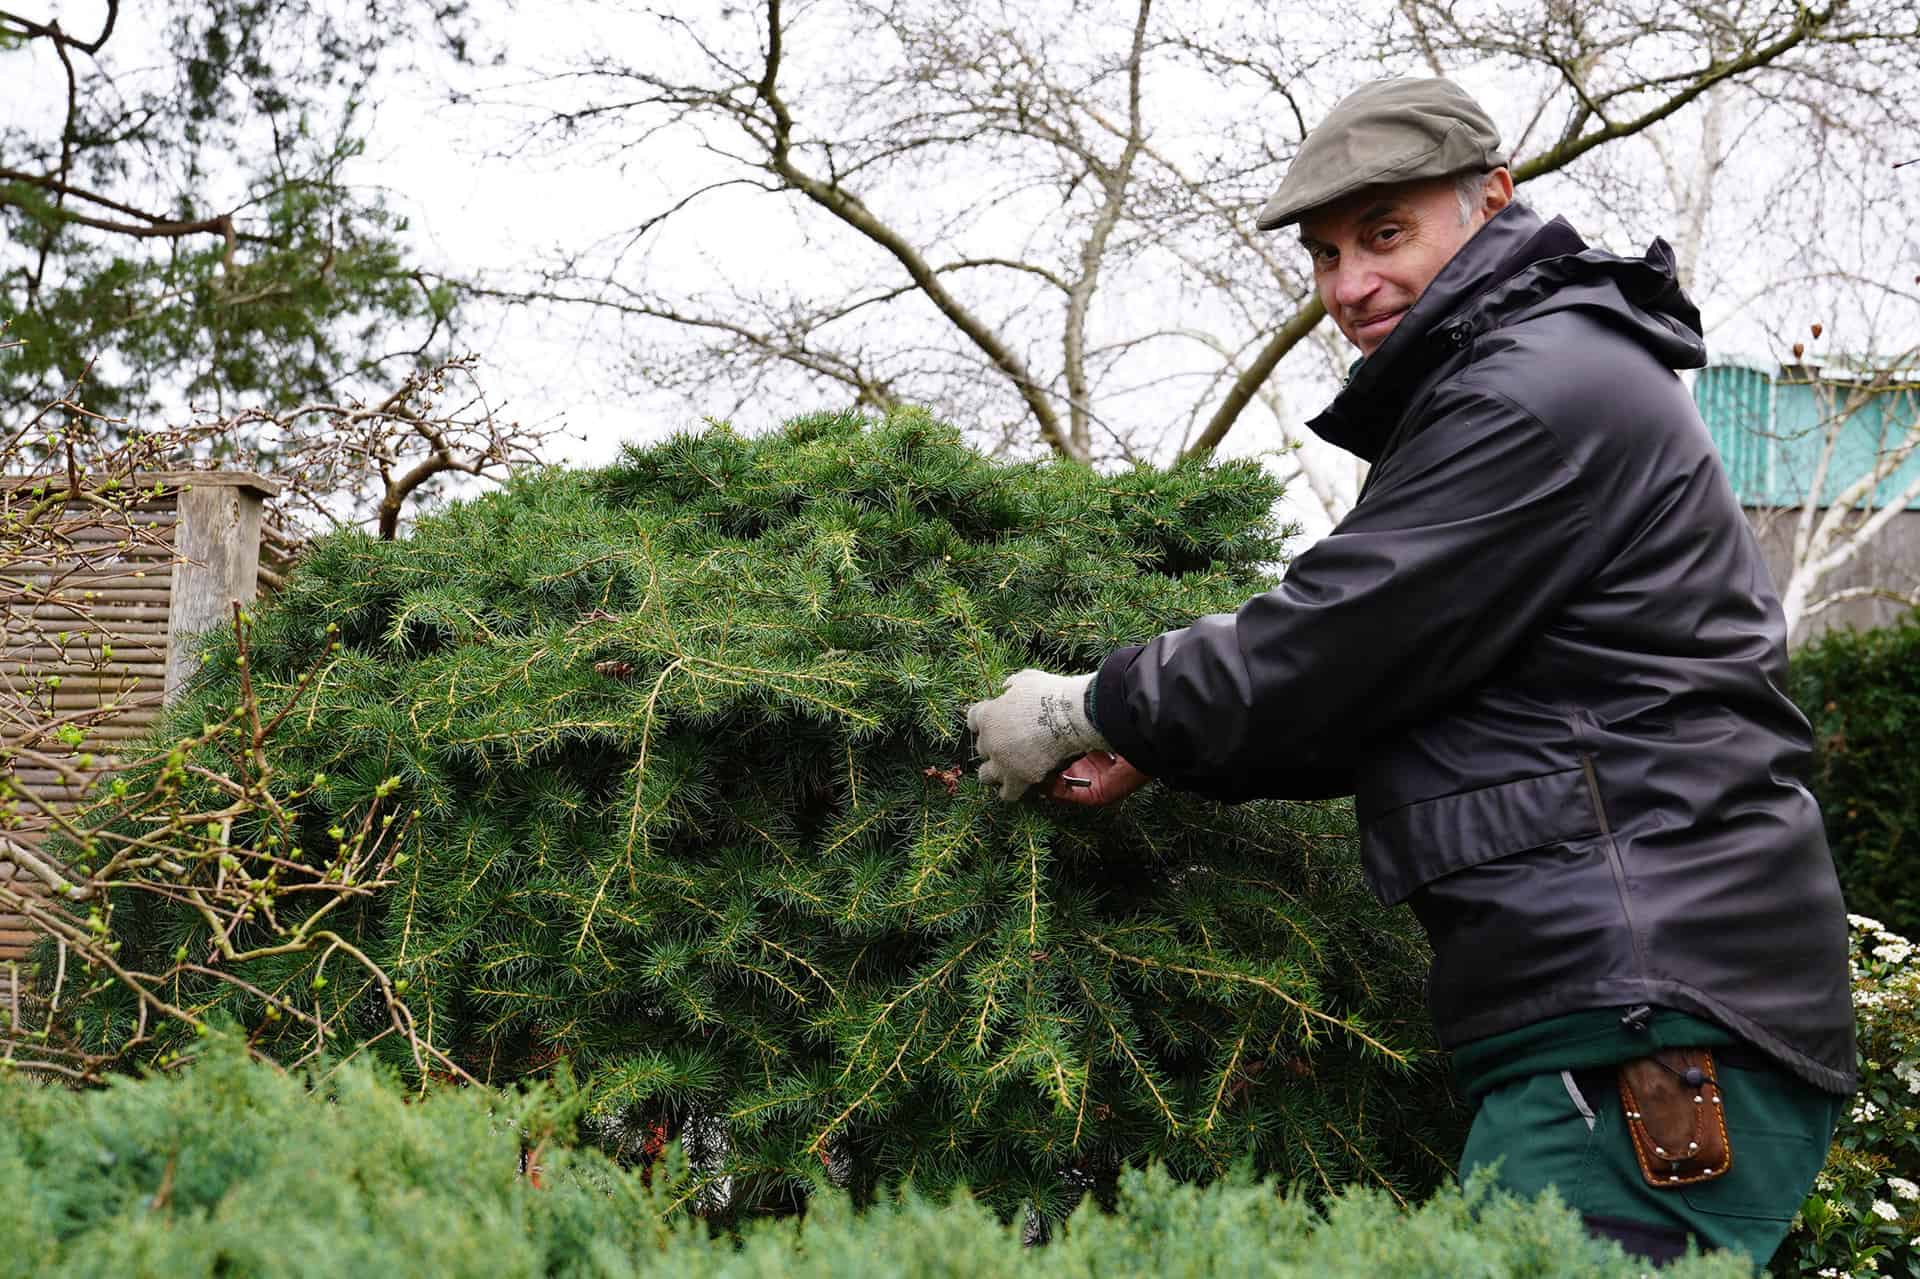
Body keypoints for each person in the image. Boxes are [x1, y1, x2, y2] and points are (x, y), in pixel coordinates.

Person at [965, 76, 1855, 1268]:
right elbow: (1387, 687)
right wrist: (1158, 745)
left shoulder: (1534, 392)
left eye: (1386, 234)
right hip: (1631, 1004)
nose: (1349, 287)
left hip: (1649, 1017)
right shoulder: (1531, 375)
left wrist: (1084, 703)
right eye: (1327, 254)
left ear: (1491, 199)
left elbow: (1333, 643)